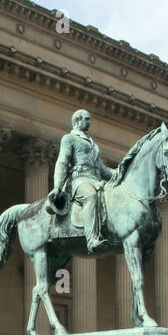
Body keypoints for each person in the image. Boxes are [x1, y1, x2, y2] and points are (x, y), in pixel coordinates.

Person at [46, 108, 115, 251]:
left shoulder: (93, 145)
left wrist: (121, 173)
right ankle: (91, 240)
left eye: (89, 119)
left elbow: (103, 169)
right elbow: (62, 162)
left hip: (95, 180)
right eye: (86, 119)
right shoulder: (69, 139)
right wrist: (57, 186)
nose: (89, 122)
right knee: (90, 196)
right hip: (79, 179)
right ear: (77, 120)